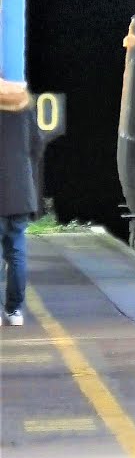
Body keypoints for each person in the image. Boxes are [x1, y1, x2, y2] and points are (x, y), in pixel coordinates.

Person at [0, 82, 41, 326]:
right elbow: (36, 147)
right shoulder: (25, 108)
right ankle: (14, 311)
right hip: (21, 192)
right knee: (16, 252)